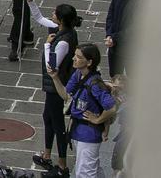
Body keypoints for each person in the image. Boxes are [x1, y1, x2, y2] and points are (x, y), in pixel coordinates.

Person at [25, 0, 82, 177]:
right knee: (47, 118)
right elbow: (40, 19)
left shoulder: (64, 40)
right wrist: (31, 1)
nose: (52, 15)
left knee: (57, 124)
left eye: (55, 14)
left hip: (57, 88)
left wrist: (47, 44)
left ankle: (62, 165)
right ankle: (47, 155)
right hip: (52, 87)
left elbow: (53, 66)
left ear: (62, 19)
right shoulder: (63, 30)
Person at [47, 44, 117, 178]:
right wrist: (55, 77)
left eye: (79, 57)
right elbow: (66, 95)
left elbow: (112, 107)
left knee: (84, 173)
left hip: (89, 134)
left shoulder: (95, 84)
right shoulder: (78, 74)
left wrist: (97, 119)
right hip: (78, 131)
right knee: (91, 169)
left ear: (89, 62)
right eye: (75, 55)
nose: (74, 58)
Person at [104, 0, 141, 77]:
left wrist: (114, 37)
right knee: (114, 76)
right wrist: (109, 35)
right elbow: (110, 15)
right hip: (114, 45)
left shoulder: (139, 0)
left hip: (129, 48)